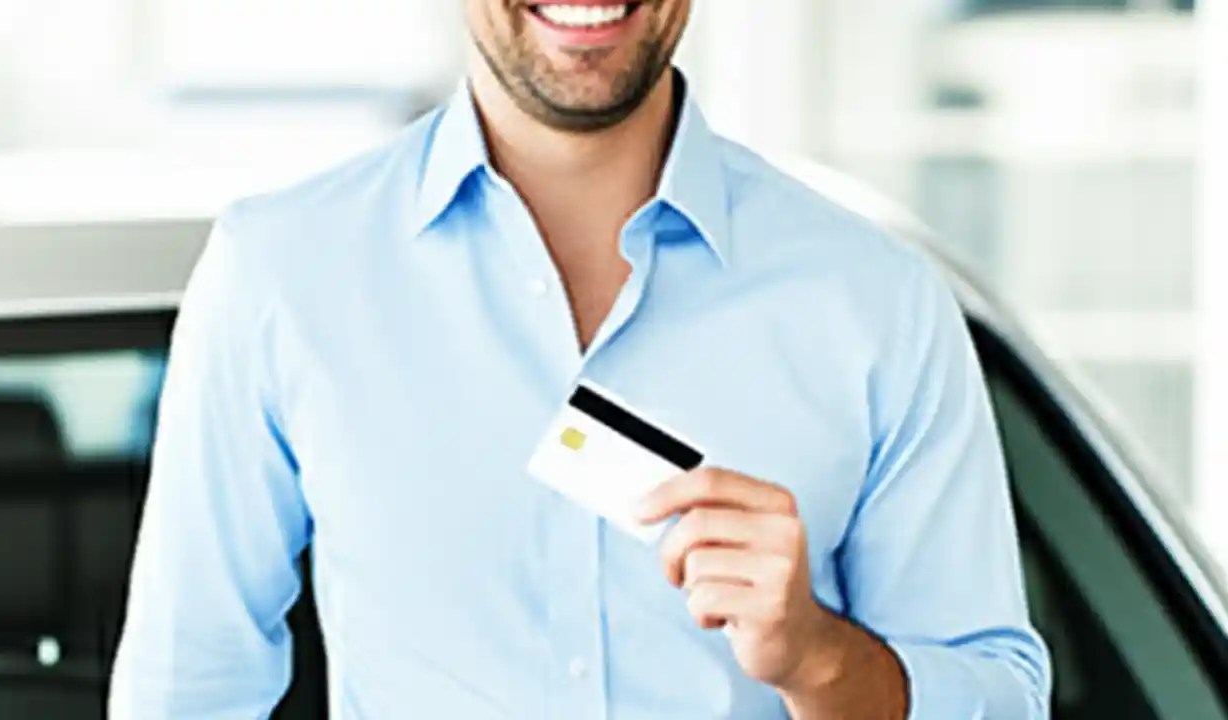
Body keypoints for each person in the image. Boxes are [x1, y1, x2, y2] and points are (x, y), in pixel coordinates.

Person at [109, 1, 1050, 717]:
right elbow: (186, 689)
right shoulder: (281, 274)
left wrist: (817, 657)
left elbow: (1001, 693)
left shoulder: (877, 300)